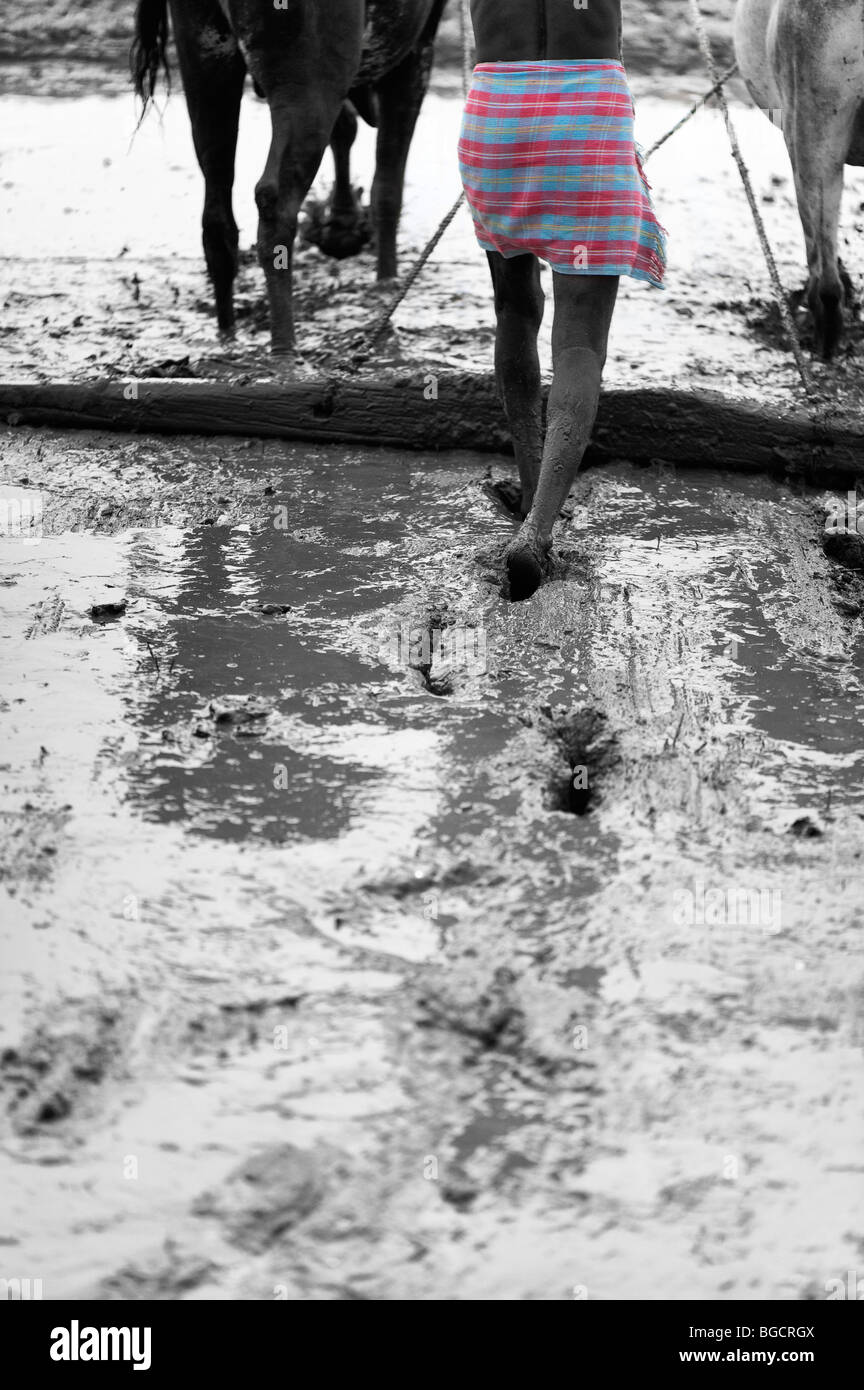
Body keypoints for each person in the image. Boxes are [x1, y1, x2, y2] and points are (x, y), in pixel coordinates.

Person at [458, 0, 667, 599]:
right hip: (586, 115)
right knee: (578, 345)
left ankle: (528, 483)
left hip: (497, 111)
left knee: (514, 311)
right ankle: (537, 532)